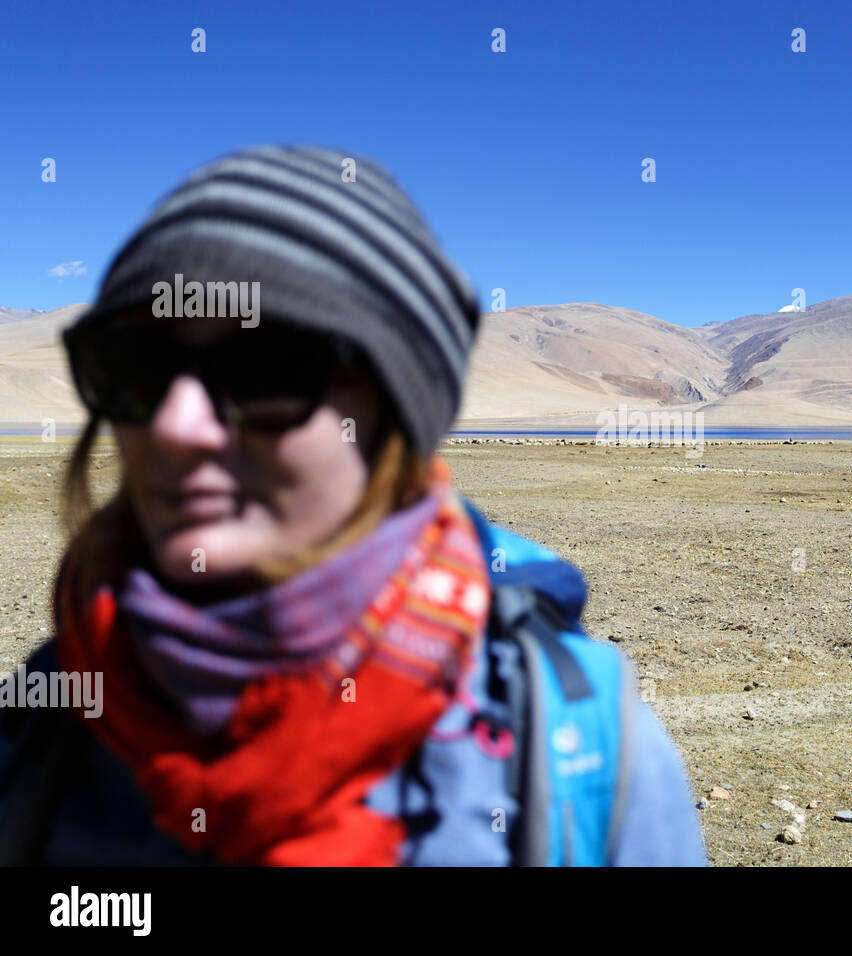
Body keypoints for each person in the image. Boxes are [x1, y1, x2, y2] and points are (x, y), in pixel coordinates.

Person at [0, 146, 706, 866]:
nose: (176, 426)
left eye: (261, 366)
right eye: (136, 370)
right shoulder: (44, 718)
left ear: (392, 412)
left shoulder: (576, 754)